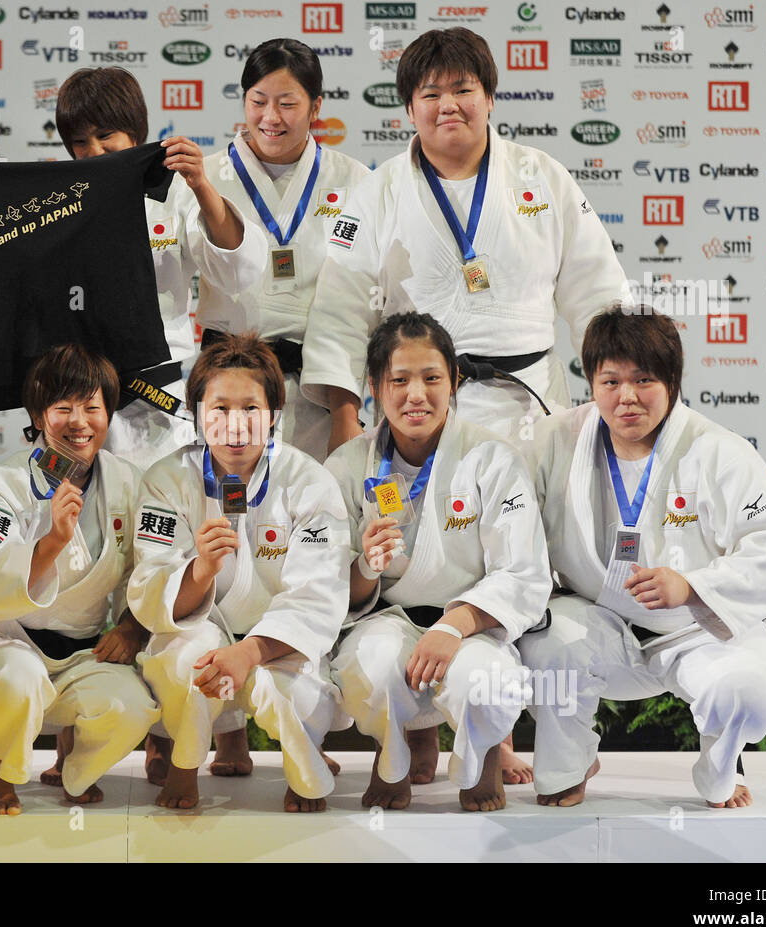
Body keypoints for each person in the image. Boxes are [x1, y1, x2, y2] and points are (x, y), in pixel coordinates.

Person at [53, 66, 268, 784]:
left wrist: (204, 184)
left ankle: (224, 728)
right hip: (95, 404)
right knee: (94, 556)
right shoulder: (56, 203)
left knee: (206, 555)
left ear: (137, 134)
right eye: (77, 141)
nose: (92, 152)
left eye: (106, 136)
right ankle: (83, 733)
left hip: (173, 404)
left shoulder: (175, 189)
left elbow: (239, 270)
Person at [521, 306, 766, 809]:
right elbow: (512, 530)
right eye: (610, 381)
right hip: (600, 623)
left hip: (696, 629)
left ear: (671, 381)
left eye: (643, 379)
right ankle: (569, 761)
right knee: (546, 645)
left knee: (750, 688)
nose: (626, 396)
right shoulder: (552, 440)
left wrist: (692, 586)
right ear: (590, 380)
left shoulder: (720, 451)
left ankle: (720, 765)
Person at [301, 27, 630, 449]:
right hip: (417, 413)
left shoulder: (543, 178)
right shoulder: (377, 193)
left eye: (463, 89)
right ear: (409, 108)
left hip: (529, 407)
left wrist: (621, 391)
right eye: (431, 93)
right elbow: (339, 315)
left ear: (490, 98)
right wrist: (345, 420)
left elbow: (598, 294)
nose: (448, 106)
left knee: (530, 512)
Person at [325, 313, 552, 811]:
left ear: (454, 381)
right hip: (385, 619)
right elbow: (329, 590)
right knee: (370, 668)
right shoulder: (345, 467)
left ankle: (483, 754)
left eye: (431, 379)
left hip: (472, 621)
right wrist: (364, 567)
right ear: (374, 387)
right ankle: (393, 752)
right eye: (399, 380)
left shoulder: (492, 457)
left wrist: (453, 626)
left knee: (486, 685)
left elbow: (523, 572)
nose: (416, 395)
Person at [0, 345, 160, 814]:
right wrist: (50, 545)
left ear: (108, 413)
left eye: (92, 408)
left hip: (82, 653)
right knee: (16, 680)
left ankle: (76, 770)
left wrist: (133, 627)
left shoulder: (127, 482)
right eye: (63, 409)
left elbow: (151, 566)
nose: (80, 421)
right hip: (3, 647)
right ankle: (0, 771)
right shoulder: (4, 486)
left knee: (131, 707)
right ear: (38, 415)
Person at [127, 333, 350, 812]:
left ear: (274, 415)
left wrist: (250, 652)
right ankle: (185, 765)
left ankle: (303, 760)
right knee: (188, 657)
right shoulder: (165, 481)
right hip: (201, 638)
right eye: (220, 408)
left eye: (250, 408)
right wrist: (200, 571)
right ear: (197, 414)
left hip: (281, 648)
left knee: (282, 691)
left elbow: (318, 595)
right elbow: (150, 591)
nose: (236, 425)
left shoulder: (309, 482)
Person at [199, 39, 371, 460]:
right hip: (228, 390)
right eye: (258, 101)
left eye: (287, 104)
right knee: (227, 517)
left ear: (316, 108)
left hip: (318, 394)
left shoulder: (355, 182)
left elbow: (358, 305)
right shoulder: (203, 177)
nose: (270, 118)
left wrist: (347, 411)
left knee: (316, 518)